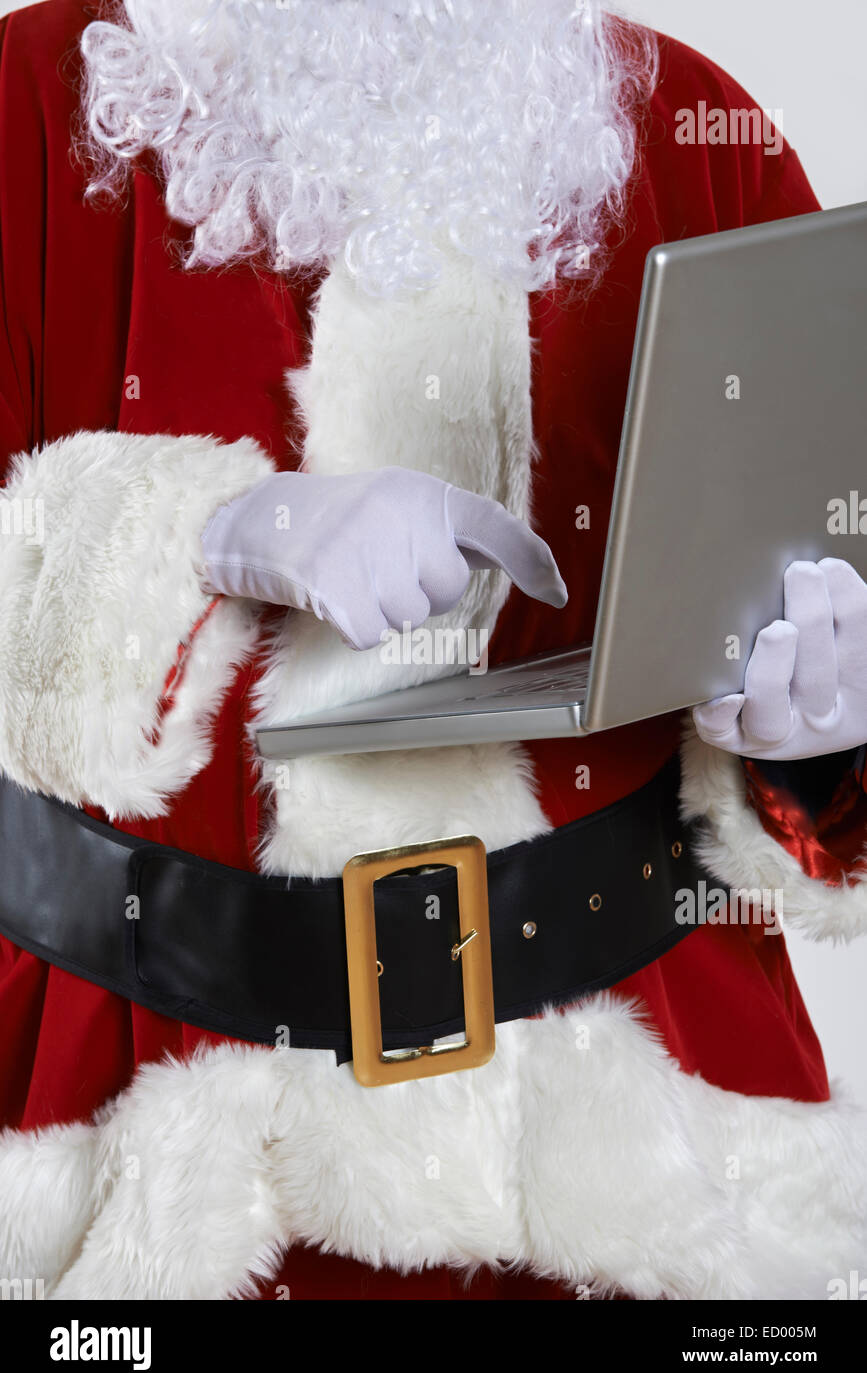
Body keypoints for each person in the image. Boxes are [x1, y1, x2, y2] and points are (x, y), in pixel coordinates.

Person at [0, 0, 864, 1301]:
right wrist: (212, 529)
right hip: (149, 1145)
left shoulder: (703, 134)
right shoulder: (17, 102)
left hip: (634, 1154)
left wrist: (821, 739)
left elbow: (827, 610)